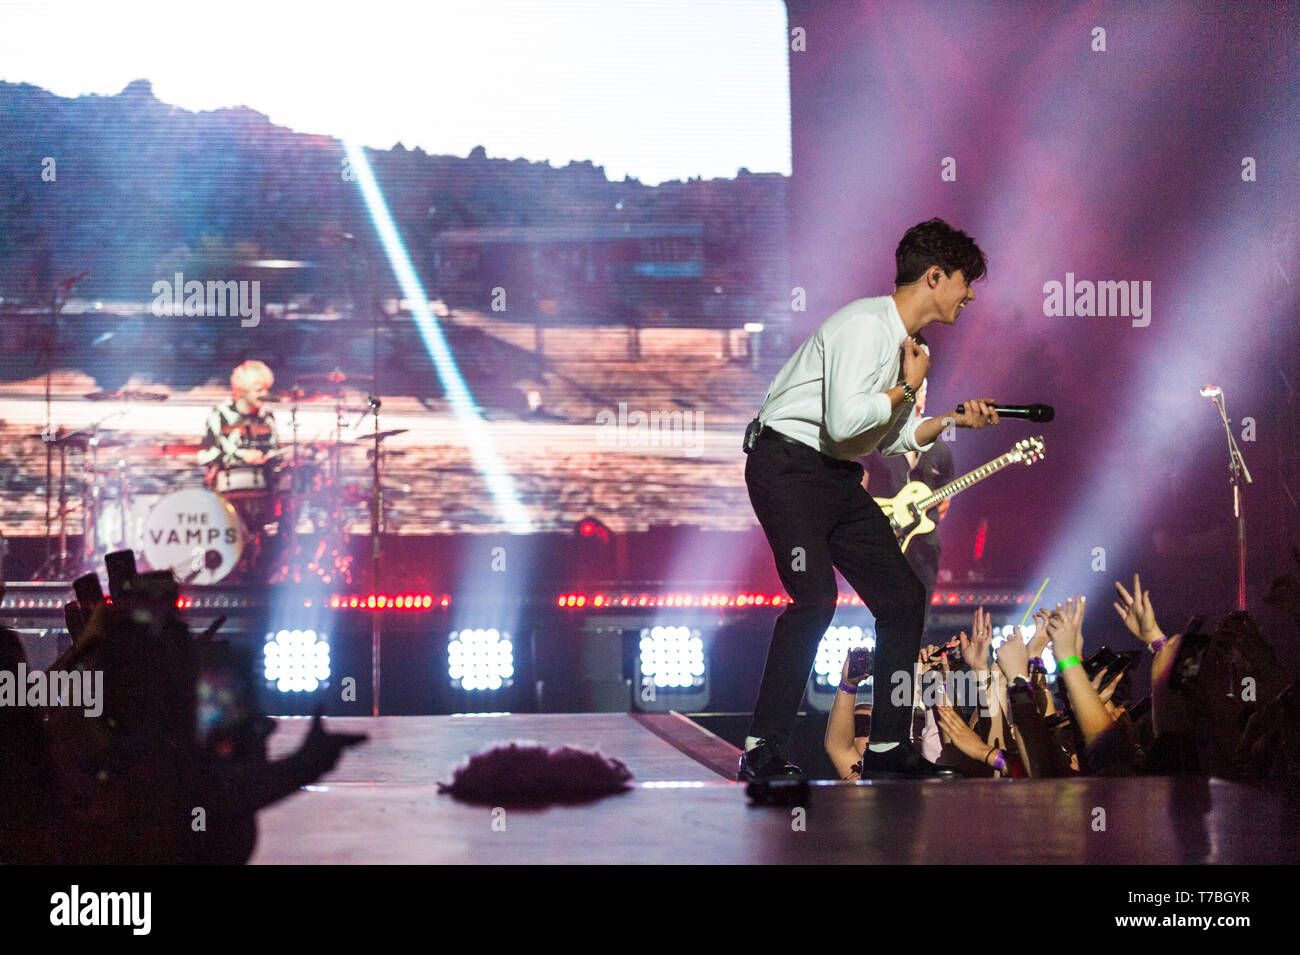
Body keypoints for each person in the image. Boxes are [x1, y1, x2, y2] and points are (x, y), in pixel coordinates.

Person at [738, 218, 999, 781]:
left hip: (832, 475)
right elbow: (844, 418)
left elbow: (890, 438)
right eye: (964, 280)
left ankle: (886, 749)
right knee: (814, 601)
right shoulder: (865, 327)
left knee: (903, 598)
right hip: (785, 466)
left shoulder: (910, 348)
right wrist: (905, 388)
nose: (970, 293)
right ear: (934, 276)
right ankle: (761, 749)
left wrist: (949, 419)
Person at [860, 337, 954, 606]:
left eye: (920, 391)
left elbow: (944, 506)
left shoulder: (941, 451)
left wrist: (918, 517)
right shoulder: (876, 442)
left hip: (924, 544)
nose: (916, 397)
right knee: (887, 608)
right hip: (885, 540)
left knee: (919, 609)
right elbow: (859, 490)